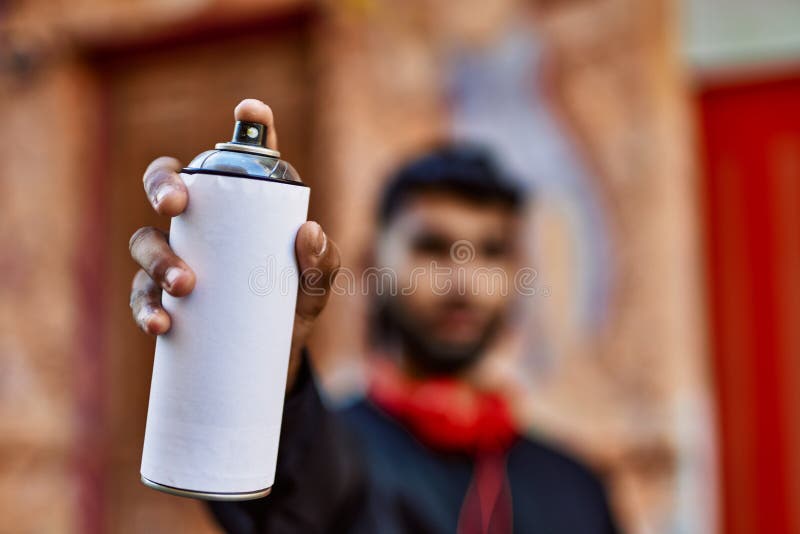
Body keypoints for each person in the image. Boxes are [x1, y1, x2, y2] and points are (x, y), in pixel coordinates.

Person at [128, 99, 619, 534]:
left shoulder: (576, 489)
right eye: (432, 247)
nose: (464, 283)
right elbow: (286, 509)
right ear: (370, 263)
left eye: (491, 251)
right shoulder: (322, 455)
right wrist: (236, 318)